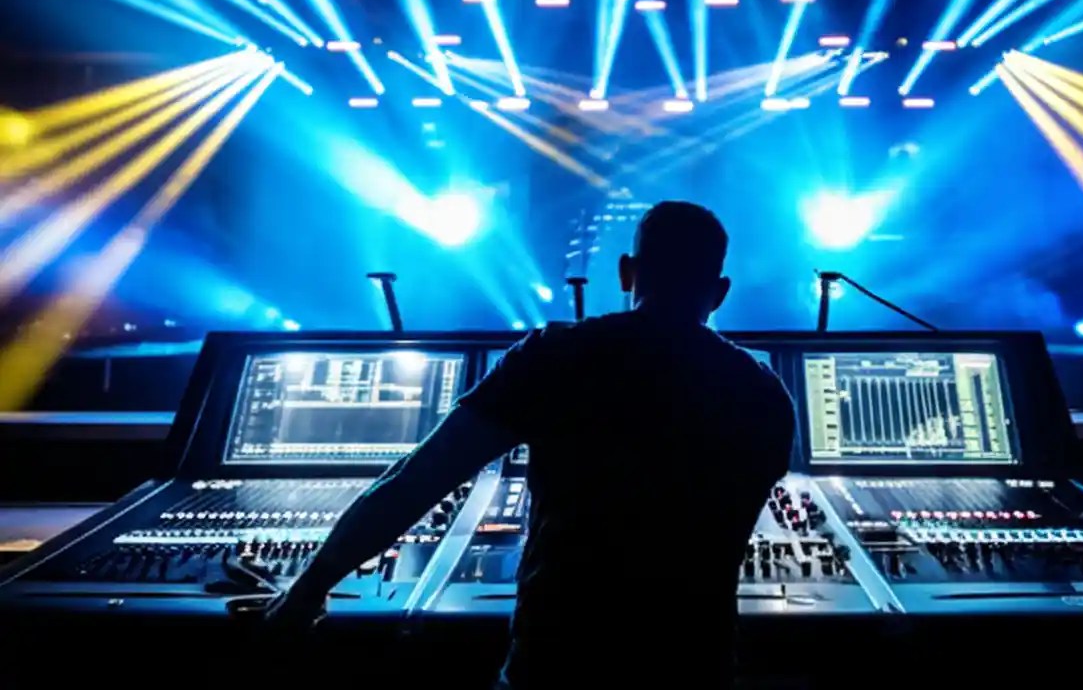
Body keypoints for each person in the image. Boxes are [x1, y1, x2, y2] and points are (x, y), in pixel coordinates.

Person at [265, 201, 797, 688]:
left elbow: (414, 483)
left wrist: (305, 592)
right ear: (719, 291)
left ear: (626, 273)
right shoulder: (763, 393)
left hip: (559, 660)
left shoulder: (554, 357)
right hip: (690, 667)